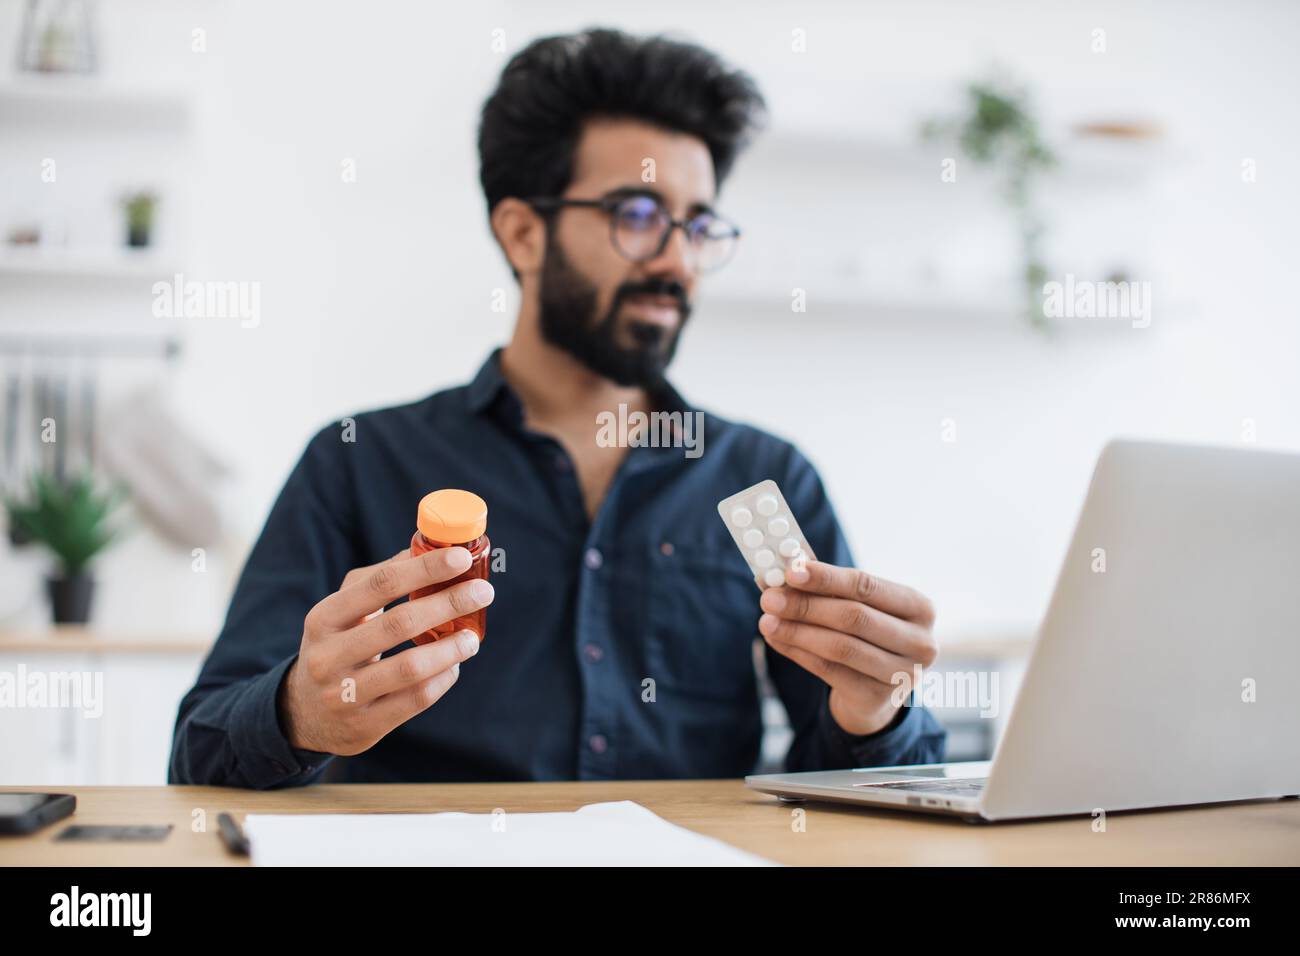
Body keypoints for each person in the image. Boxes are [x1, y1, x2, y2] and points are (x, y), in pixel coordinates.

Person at [169, 28, 945, 788]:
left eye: (698, 225)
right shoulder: (356, 462)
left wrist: (874, 710)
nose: (678, 260)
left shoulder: (766, 475)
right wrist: (300, 711)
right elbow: (197, 751)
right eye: (637, 217)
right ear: (523, 233)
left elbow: (879, 783)